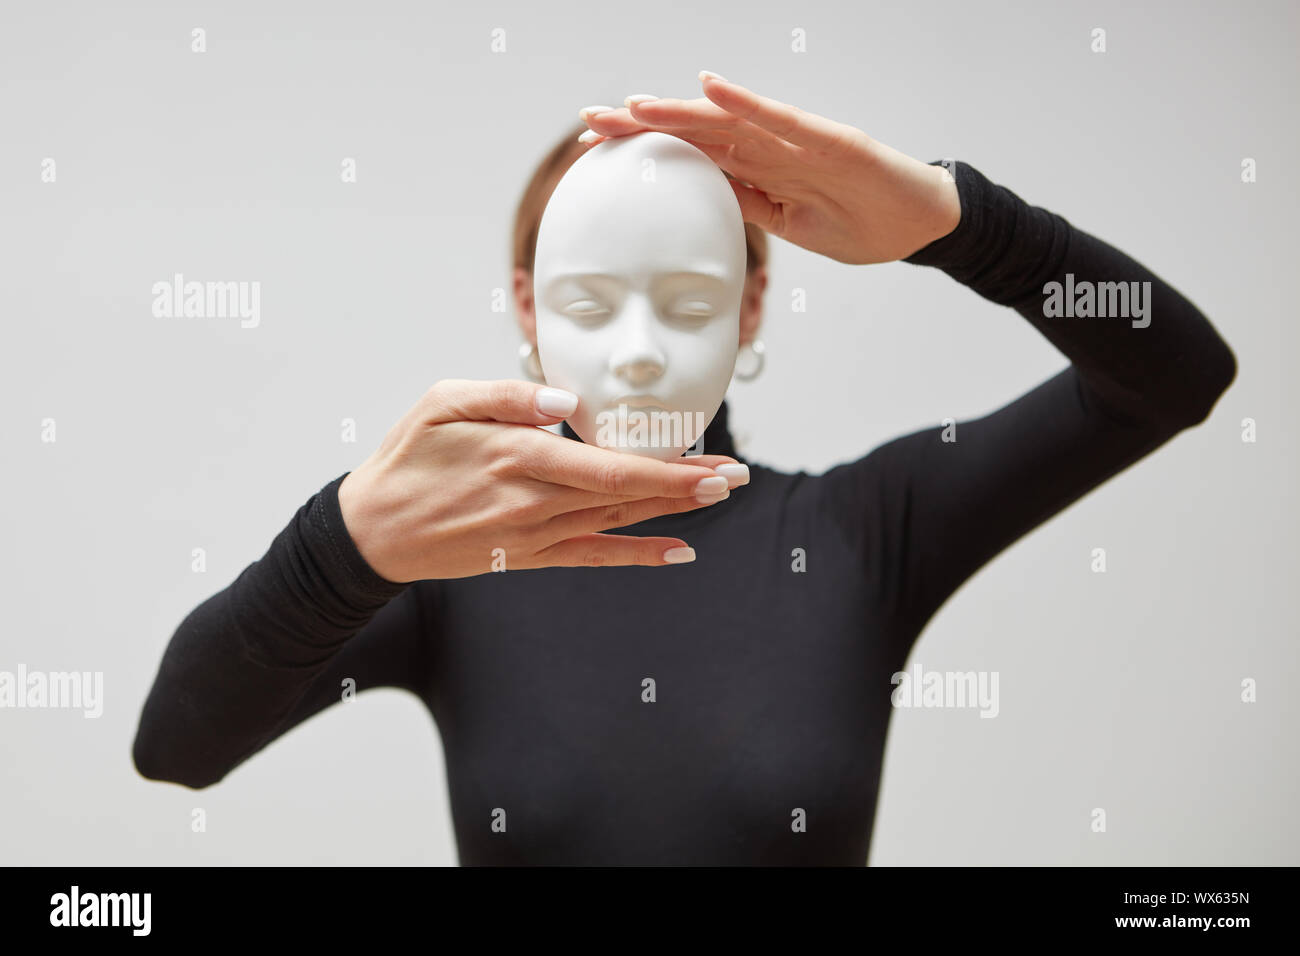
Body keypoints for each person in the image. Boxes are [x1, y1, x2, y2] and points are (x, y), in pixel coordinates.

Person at [132, 73, 1237, 865]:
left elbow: (1171, 372)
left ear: (753, 305)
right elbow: (177, 745)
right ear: (527, 310)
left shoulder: (859, 531)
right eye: (587, 302)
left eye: (693, 299)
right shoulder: (452, 563)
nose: (645, 347)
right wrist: (340, 546)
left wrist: (960, 222)